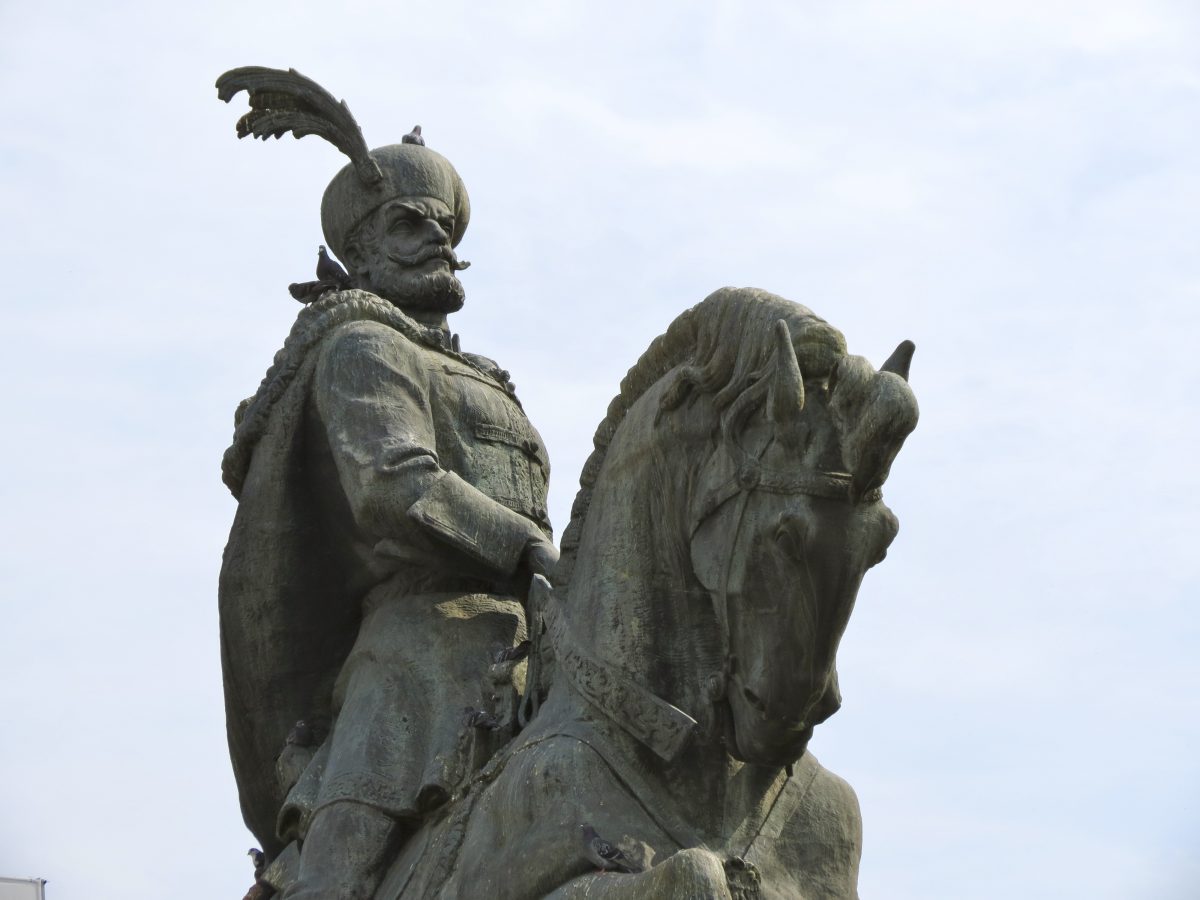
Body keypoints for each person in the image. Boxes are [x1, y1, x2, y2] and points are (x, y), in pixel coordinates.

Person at [218, 128, 558, 899]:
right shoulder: (362, 347)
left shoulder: (489, 379)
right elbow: (395, 487)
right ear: (361, 253)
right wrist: (526, 548)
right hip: (418, 646)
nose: (437, 235)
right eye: (410, 222)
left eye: (445, 225)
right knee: (342, 867)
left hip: (540, 626)